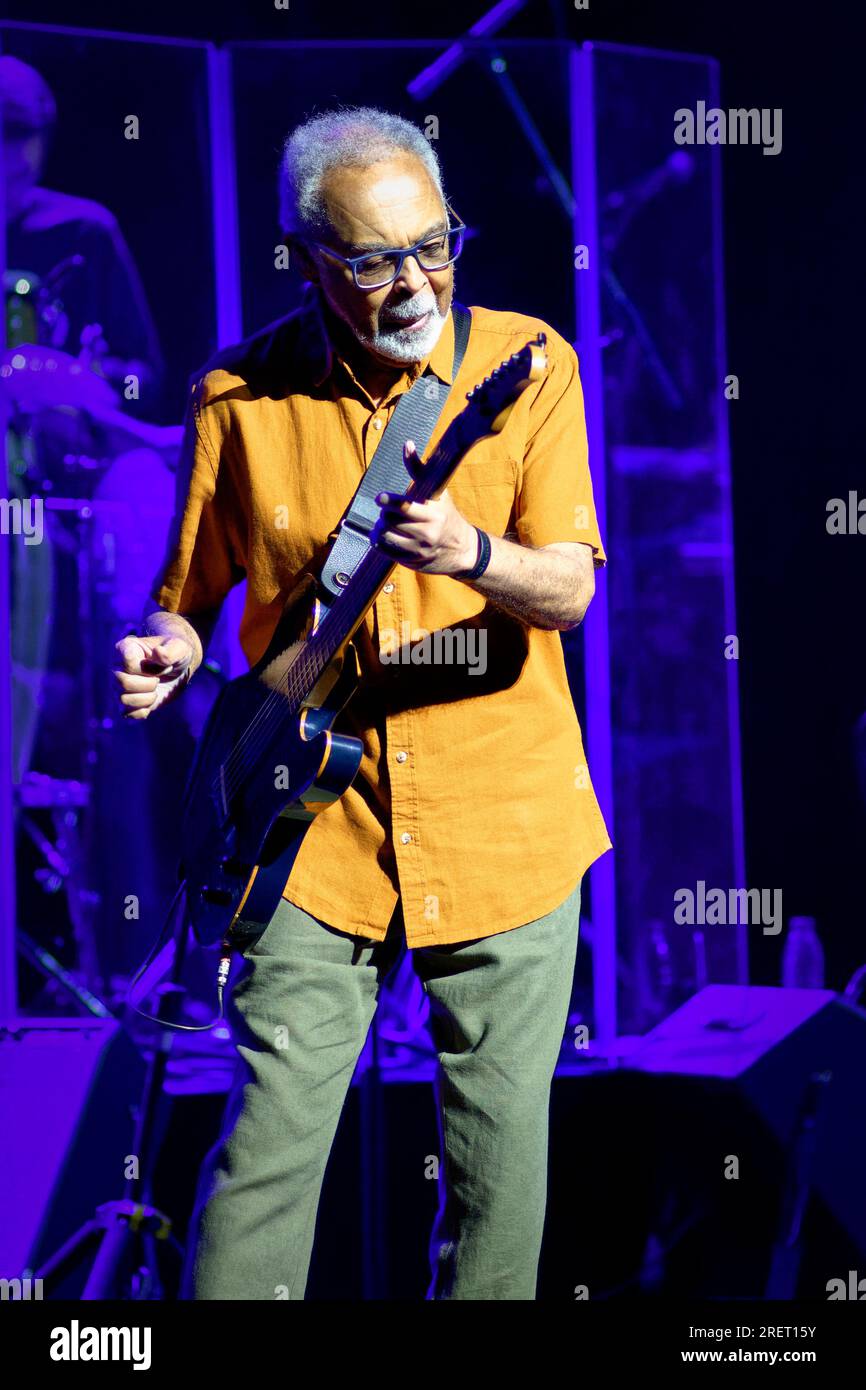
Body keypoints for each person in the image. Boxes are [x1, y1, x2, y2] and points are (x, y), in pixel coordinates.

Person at [113, 106, 612, 1301]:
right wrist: (167, 650)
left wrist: (470, 552)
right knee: (267, 1158)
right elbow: (188, 596)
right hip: (308, 834)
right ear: (307, 258)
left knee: (496, 1179)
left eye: (433, 245)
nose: (413, 280)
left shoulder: (532, 365)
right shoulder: (235, 396)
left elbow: (566, 588)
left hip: (504, 823)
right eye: (373, 259)